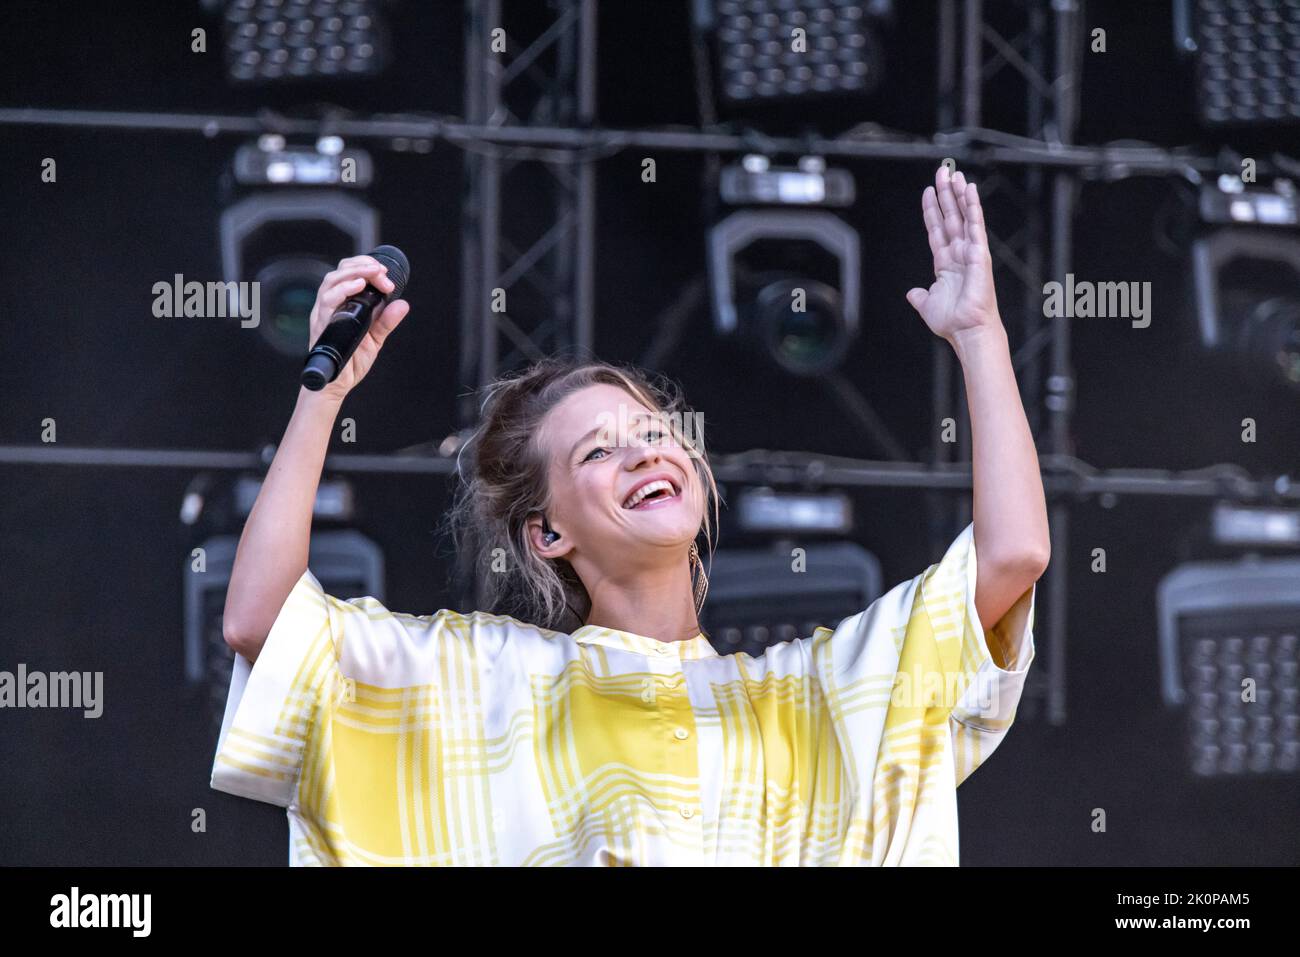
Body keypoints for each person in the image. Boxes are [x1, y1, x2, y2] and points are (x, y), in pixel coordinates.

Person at [211, 163, 1050, 865]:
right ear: (549, 533)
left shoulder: (812, 692)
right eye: (598, 452)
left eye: (654, 432)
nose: (646, 452)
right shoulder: (485, 680)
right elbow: (263, 620)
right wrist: (324, 398)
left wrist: (978, 336)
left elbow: (1012, 556)